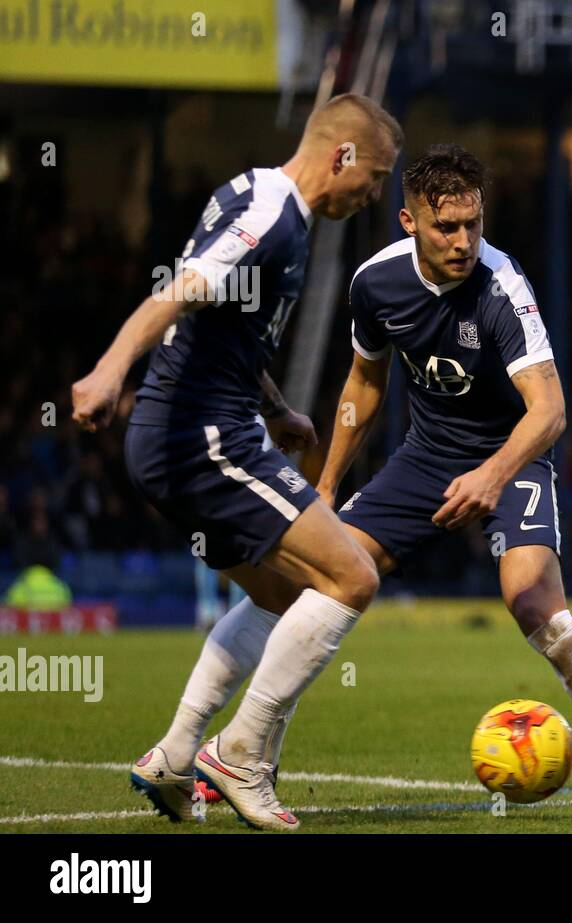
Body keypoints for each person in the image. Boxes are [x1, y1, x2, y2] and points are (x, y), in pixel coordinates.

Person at [189, 144, 572, 812]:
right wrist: (327, 485)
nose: (464, 240)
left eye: (473, 223)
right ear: (408, 221)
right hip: (426, 459)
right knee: (321, 578)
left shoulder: (503, 287)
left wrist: (493, 473)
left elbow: (551, 409)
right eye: (447, 226)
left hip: (514, 454)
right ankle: (242, 760)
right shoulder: (374, 283)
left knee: (533, 604)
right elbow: (365, 380)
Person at [71, 93, 403, 830]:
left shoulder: (262, 198)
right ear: (342, 156)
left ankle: (176, 754)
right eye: (376, 177)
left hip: (192, 433)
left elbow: (227, 330)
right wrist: (109, 368)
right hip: (200, 437)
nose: (374, 194)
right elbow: (183, 292)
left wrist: (277, 404)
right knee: (352, 574)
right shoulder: (269, 217)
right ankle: (240, 754)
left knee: (288, 596)